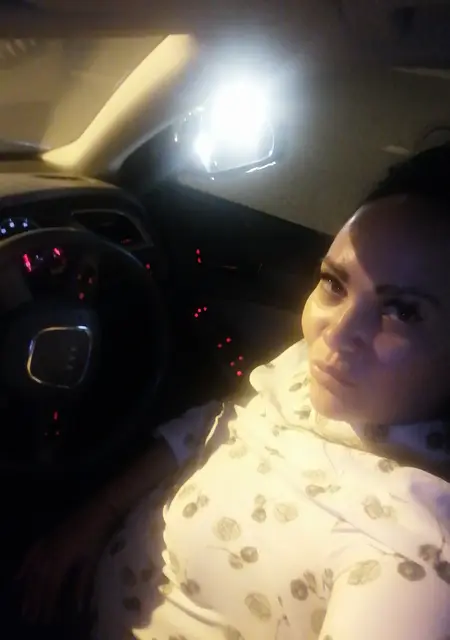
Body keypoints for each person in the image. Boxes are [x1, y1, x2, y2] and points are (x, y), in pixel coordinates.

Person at [19, 144, 450, 639]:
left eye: (403, 312)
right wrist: (95, 517)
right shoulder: (316, 372)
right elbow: (219, 422)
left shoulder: (412, 560)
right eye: (335, 283)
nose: (335, 332)